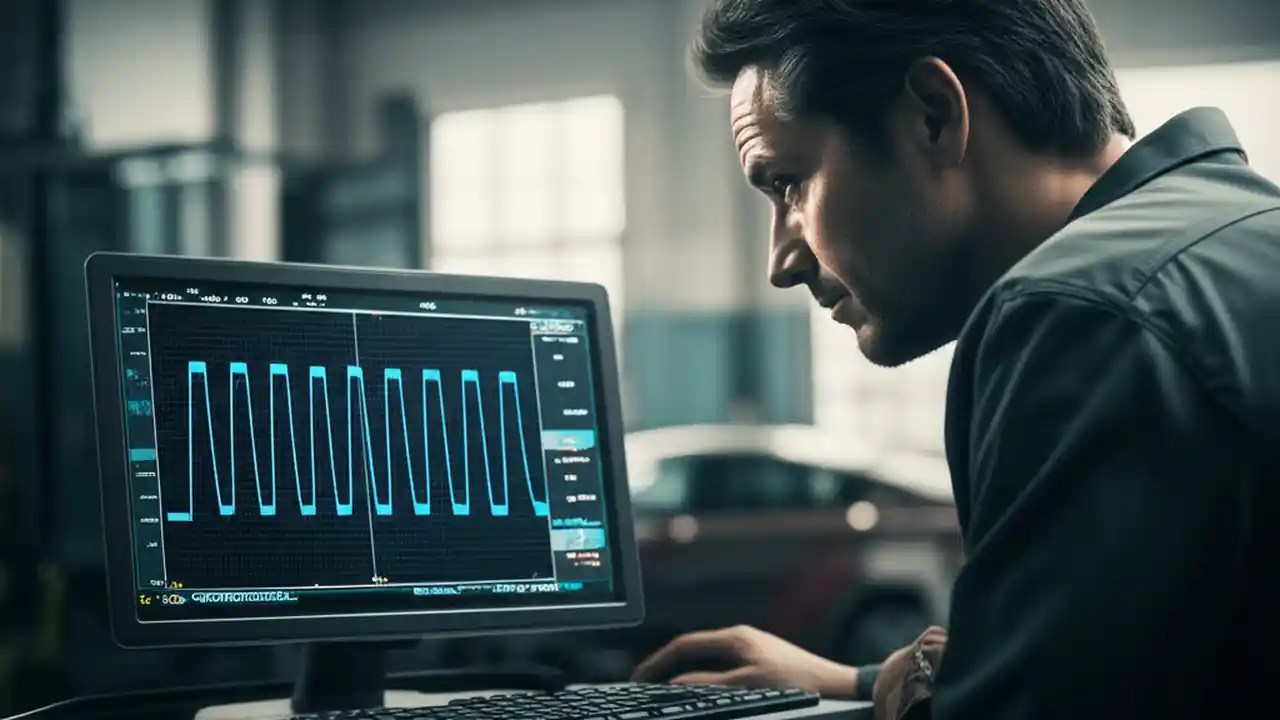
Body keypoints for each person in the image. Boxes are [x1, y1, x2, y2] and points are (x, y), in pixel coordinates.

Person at [631, 1, 1280, 718]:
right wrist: (860, 680)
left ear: (933, 117)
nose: (781, 261)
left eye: (788, 182)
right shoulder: (1233, 235)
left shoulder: (1079, 311)